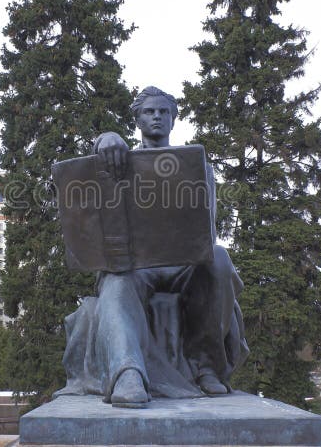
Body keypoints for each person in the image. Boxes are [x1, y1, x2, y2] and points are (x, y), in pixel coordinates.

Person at [74, 85, 248, 408]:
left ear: (173, 119)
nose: (157, 116)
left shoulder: (198, 167)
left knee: (219, 258)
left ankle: (205, 367)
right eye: (149, 111)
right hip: (137, 269)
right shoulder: (116, 162)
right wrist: (104, 139)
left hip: (184, 266)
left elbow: (206, 229)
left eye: (163, 111)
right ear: (137, 119)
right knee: (115, 281)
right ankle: (128, 373)